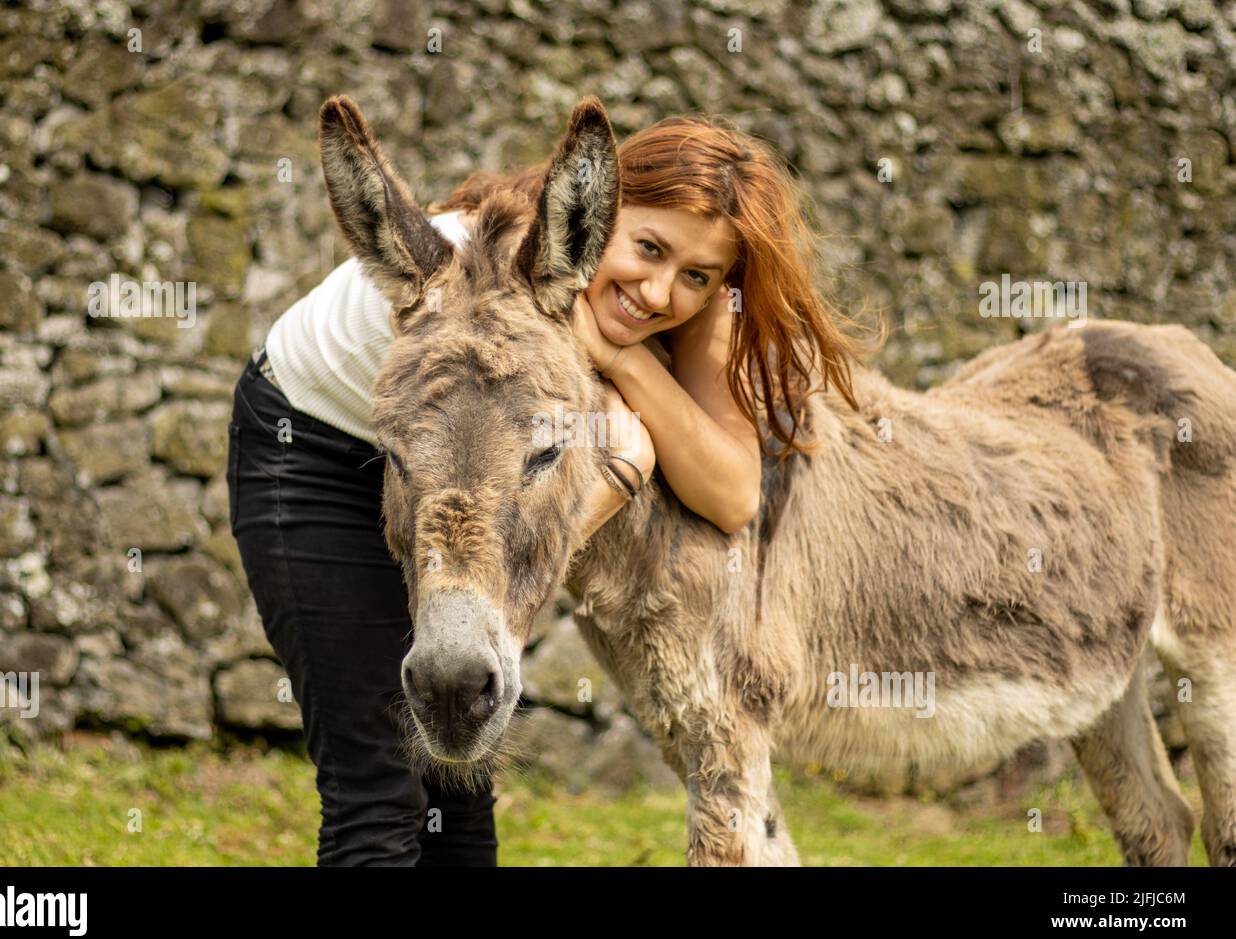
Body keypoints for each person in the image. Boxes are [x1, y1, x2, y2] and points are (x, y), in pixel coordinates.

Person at [227, 112, 867, 866]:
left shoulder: (672, 308)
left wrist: (624, 364)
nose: (659, 292)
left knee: (461, 798)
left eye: (697, 275)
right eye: (649, 248)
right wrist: (621, 470)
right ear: (602, 216)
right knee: (382, 787)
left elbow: (732, 495)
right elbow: (486, 495)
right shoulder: (455, 285)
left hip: (460, 475)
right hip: (313, 448)